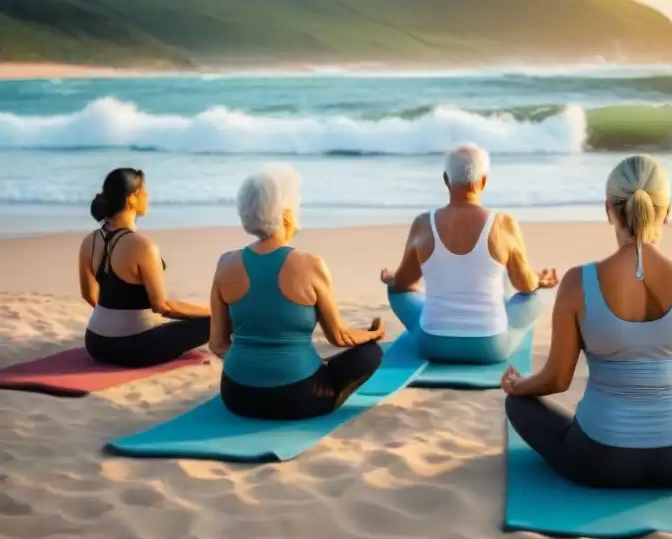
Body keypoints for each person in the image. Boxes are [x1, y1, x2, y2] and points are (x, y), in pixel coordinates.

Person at [503, 155, 672, 489]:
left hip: (597, 461)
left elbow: (556, 379)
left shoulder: (577, 282)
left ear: (608, 209)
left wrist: (519, 386)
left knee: (517, 405)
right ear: (667, 212)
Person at [210, 164, 385, 421]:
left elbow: (217, 344)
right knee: (370, 353)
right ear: (287, 215)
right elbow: (339, 336)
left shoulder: (226, 263)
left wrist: (253, 364)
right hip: (297, 397)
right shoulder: (311, 264)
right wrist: (373, 334)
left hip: (237, 395)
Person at [380, 143, 558, 364]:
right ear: (484, 181)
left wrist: (393, 279)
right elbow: (525, 285)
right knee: (540, 294)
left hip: (433, 344)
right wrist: (539, 280)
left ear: (446, 179)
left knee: (394, 291)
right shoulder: (503, 224)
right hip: (490, 347)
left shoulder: (423, 223)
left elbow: (403, 284)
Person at [78, 168, 211, 367]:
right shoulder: (143, 246)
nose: (148, 195)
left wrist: (114, 320)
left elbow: (89, 295)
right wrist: (214, 311)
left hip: (95, 342)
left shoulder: (90, 241)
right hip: (134, 349)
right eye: (144, 191)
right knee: (223, 319)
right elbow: (162, 307)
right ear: (132, 198)